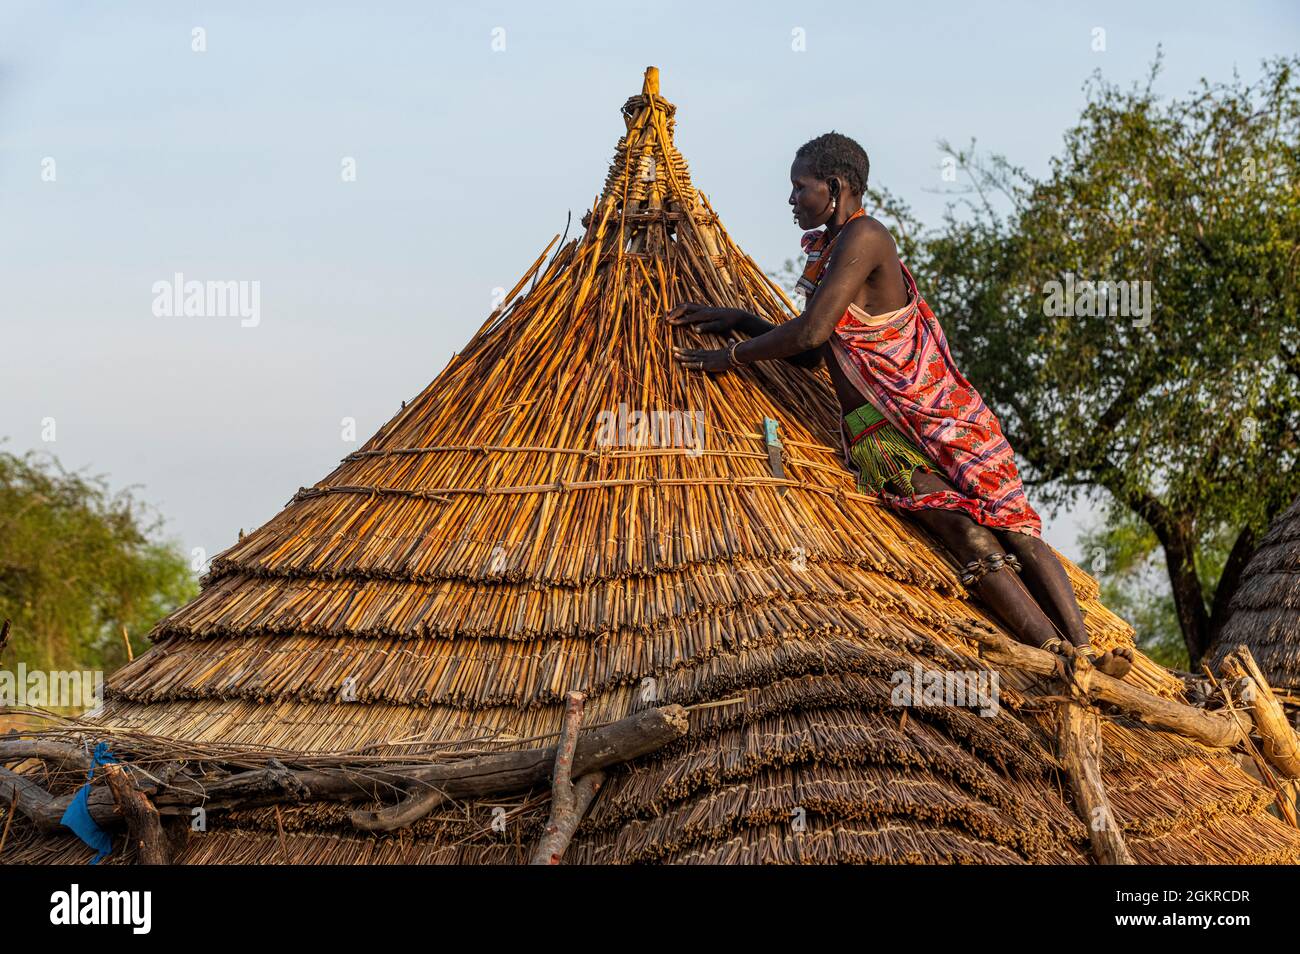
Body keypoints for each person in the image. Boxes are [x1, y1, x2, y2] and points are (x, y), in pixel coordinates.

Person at [666, 131, 1133, 680]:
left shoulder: (864, 236)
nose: (792, 200)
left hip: (938, 411)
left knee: (1011, 524)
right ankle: (1058, 660)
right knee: (962, 532)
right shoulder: (828, 254)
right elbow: (815, 355)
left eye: (800, 187)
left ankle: (1084, 651)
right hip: (875, 429)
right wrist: (744, 321)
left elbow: (812, 331)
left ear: (835, 186)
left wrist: (735, 355)